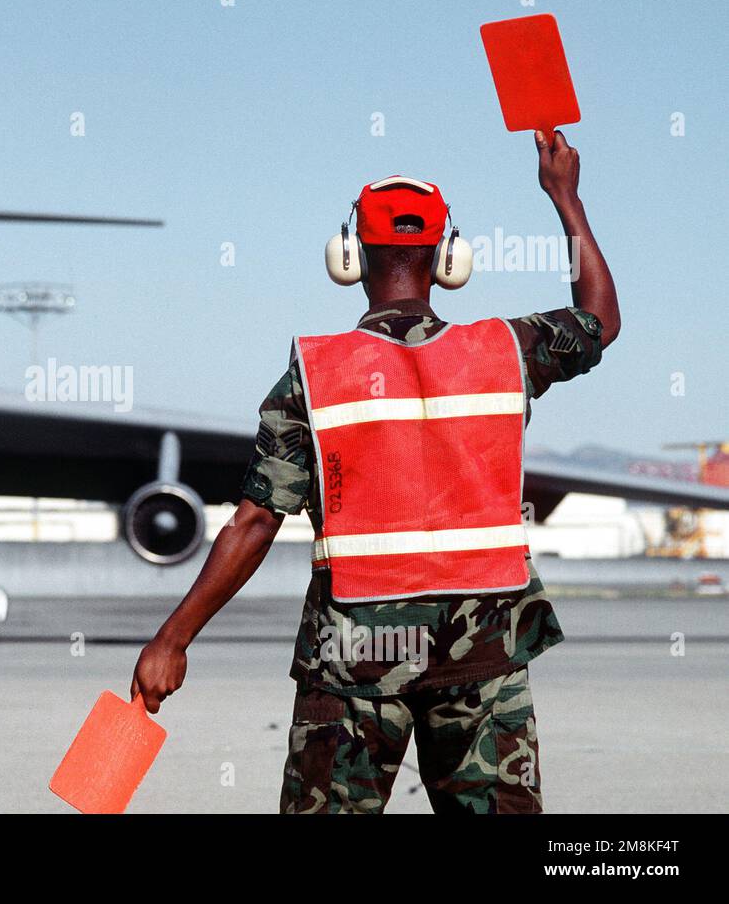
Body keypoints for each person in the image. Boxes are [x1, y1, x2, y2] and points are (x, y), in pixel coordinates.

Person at [130, 131, 619, 813]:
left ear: (350, 255)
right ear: (450, 258)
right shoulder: (505, 350)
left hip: (352, 663)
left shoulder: (314, 374)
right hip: (481, 659)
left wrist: (172, 638)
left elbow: (255, 519)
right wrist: (565, 196)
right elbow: (599, 318)